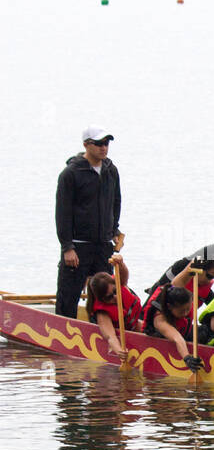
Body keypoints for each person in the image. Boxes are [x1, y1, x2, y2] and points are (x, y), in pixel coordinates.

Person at [55, 126, 123, 319]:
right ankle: (62, 330)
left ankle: (99, 329)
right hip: (78, 245)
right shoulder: (70, 174)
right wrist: (67, 246)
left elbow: (115, 202)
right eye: (99, 143)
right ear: (86, 145)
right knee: (69, 294)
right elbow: (62, 212)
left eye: (106, 143)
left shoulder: (111, 170)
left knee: (106, 293)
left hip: (103, 244)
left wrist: (114, 229)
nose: (104, 148)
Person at [85, 254, 143, 360]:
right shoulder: (102, 312)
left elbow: (124, 274)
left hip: (135, 327)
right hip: (122, 335)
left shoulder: (118, 282)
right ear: (102, 299)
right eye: (109, 297)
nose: (115, 297)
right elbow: (110, 336)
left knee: (144, 325)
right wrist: (119, 351)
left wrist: (120, 263)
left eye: (115, 292)